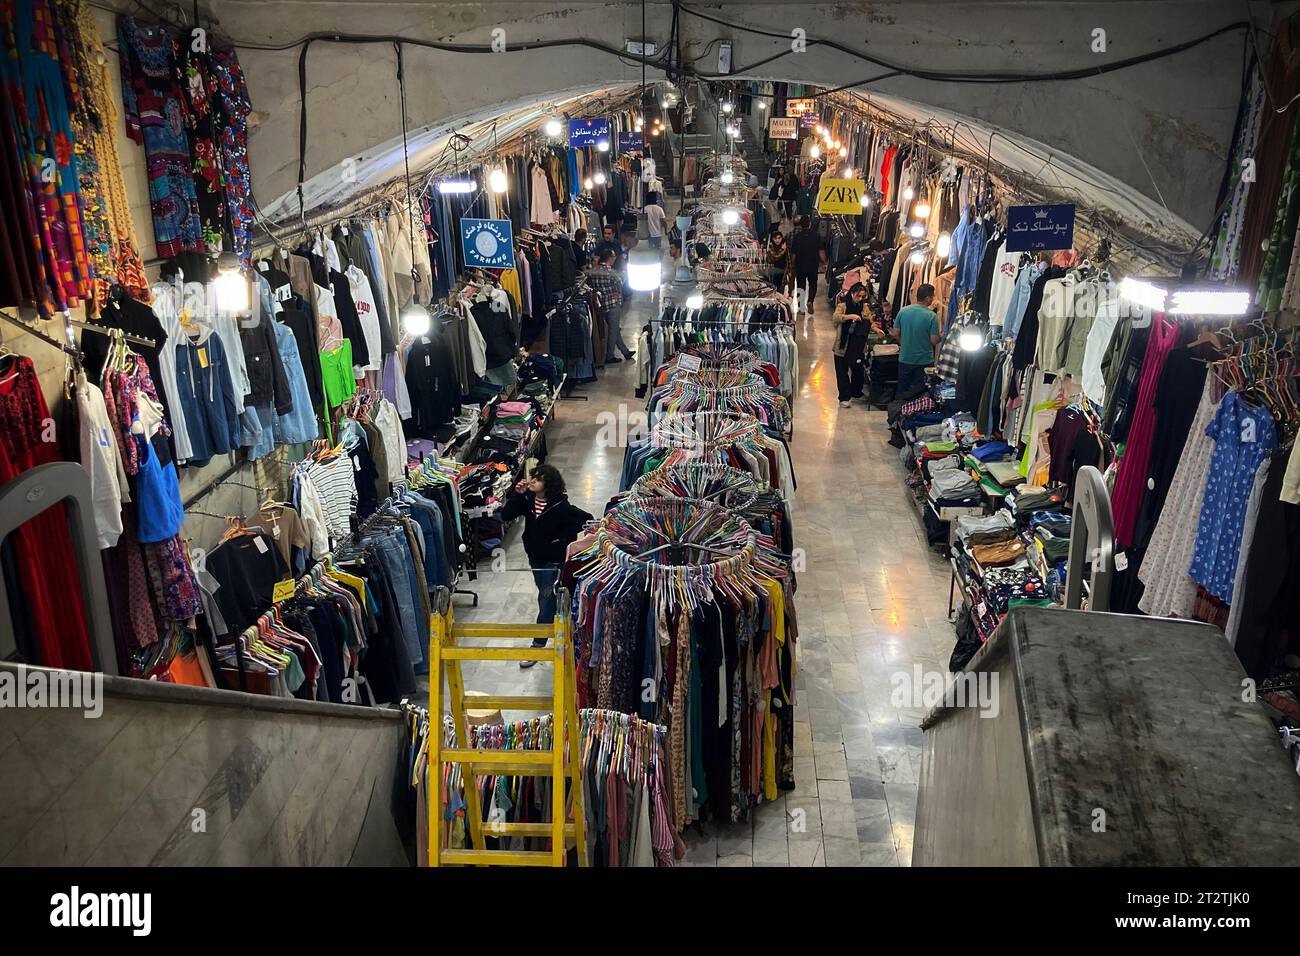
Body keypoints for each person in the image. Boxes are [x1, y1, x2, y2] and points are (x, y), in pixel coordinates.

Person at [495, 464, 593, 666]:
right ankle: (566, 626)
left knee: (545, 600)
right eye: (533, 477)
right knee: (549, 595)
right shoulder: (529, 500)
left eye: (537, 479)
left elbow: (587, 520)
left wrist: (562, 543)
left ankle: (538, 645)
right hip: (535, 558)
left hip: (552, 561)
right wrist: (518, 494)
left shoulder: (562, 507)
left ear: (548, 484)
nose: (532, 481)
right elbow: (506, 515)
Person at [832, 282, 878, 406]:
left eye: (863, 297)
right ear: (852, 293)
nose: (860, 299)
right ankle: (844, 397)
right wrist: (850, 316)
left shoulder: (864, 307)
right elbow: (836, 318)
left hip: (857, 346)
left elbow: (869, 321)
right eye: (858, 296)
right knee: (842, 371)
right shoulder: (842, 306)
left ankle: (856, 392)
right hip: (842, 345)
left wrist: (876, 329)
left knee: (857, 370)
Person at [585, 248, 634, 362]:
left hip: (601, 304)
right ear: (609, 258)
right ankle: (609, 355)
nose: (614, 259)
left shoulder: (594, 270)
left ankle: (625, 351)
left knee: (614, 329)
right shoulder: (611, 272)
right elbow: (620, 284)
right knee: (613, 330)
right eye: (613, 257)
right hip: (612, 303)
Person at [894, 283, 941, 395]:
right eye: (933, 296)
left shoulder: (903, 311)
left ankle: (899, 410)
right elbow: (934, 340)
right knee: (920, 393)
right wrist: (942, 336)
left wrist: (903, 343)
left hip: (905, 358)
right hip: (924, 360)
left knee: (902, 390)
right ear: (928, 298)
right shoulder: (931, 316)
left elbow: (895, 333)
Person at [789, 216, 826, 311]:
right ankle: (810, 301)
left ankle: (801, 308)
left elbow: (793, 254)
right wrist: (825, 262)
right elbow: (821, 251)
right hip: (813, 265)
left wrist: (792, 265)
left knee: (801, 286)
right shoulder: (816, 236)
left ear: (801, 225)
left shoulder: (797, 237)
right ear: (810, 224)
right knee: (813, 284)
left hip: (800, 265)